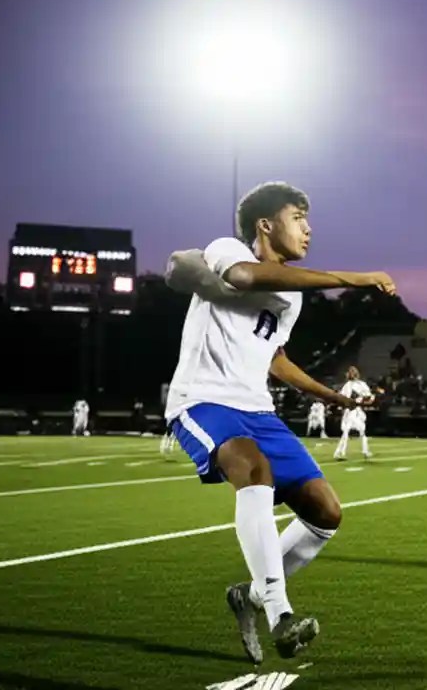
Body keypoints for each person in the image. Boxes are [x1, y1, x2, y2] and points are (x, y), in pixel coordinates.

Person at [162, 181, 395, 663]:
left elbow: (274, 358)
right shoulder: (227, 248)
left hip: (258, 409)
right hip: (204, 400)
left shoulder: (295, 297)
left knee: (326, 514)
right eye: (298, 217)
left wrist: (330, 395)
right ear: (266, 225)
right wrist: (351, 278)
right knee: (253, 470)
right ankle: (279, 614)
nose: (308, 228)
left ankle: (247, 595)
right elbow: (246, 277)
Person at [334, 367, 375, 461]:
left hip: (357, 411)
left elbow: (369, 397)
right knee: (346, 432)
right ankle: (340, 452)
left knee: (360, 431)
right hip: (350, 411)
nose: (352, 374)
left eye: (353, 372)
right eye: (351, 372)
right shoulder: (347, 385)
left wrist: (365, 400)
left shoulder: (361, 384)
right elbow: (342, 398)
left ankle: (364, 451)